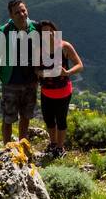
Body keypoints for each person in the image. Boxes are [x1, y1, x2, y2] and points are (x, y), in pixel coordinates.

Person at [0, 0, 39, 144]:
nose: (22, 14)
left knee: (26, 117)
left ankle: (22, 147)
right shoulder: (4, 32)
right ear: (11, 15)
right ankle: (7, 149)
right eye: (17, 12)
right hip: (11, 82)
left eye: (23, 10)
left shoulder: (35, 28)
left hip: (30, 82)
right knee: (8, 118)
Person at [35, 20, 84, 159]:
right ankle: (53, 143)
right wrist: (39, 73)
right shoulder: (39, 49)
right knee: (49, 119)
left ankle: (60, 147)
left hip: (63, 91)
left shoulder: (64, 46)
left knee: (61, 120)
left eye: (50, 30)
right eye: (44, 31)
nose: (48, 33)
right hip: (46, 91)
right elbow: (35, 69)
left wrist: (67, 73)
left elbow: (80, 65)